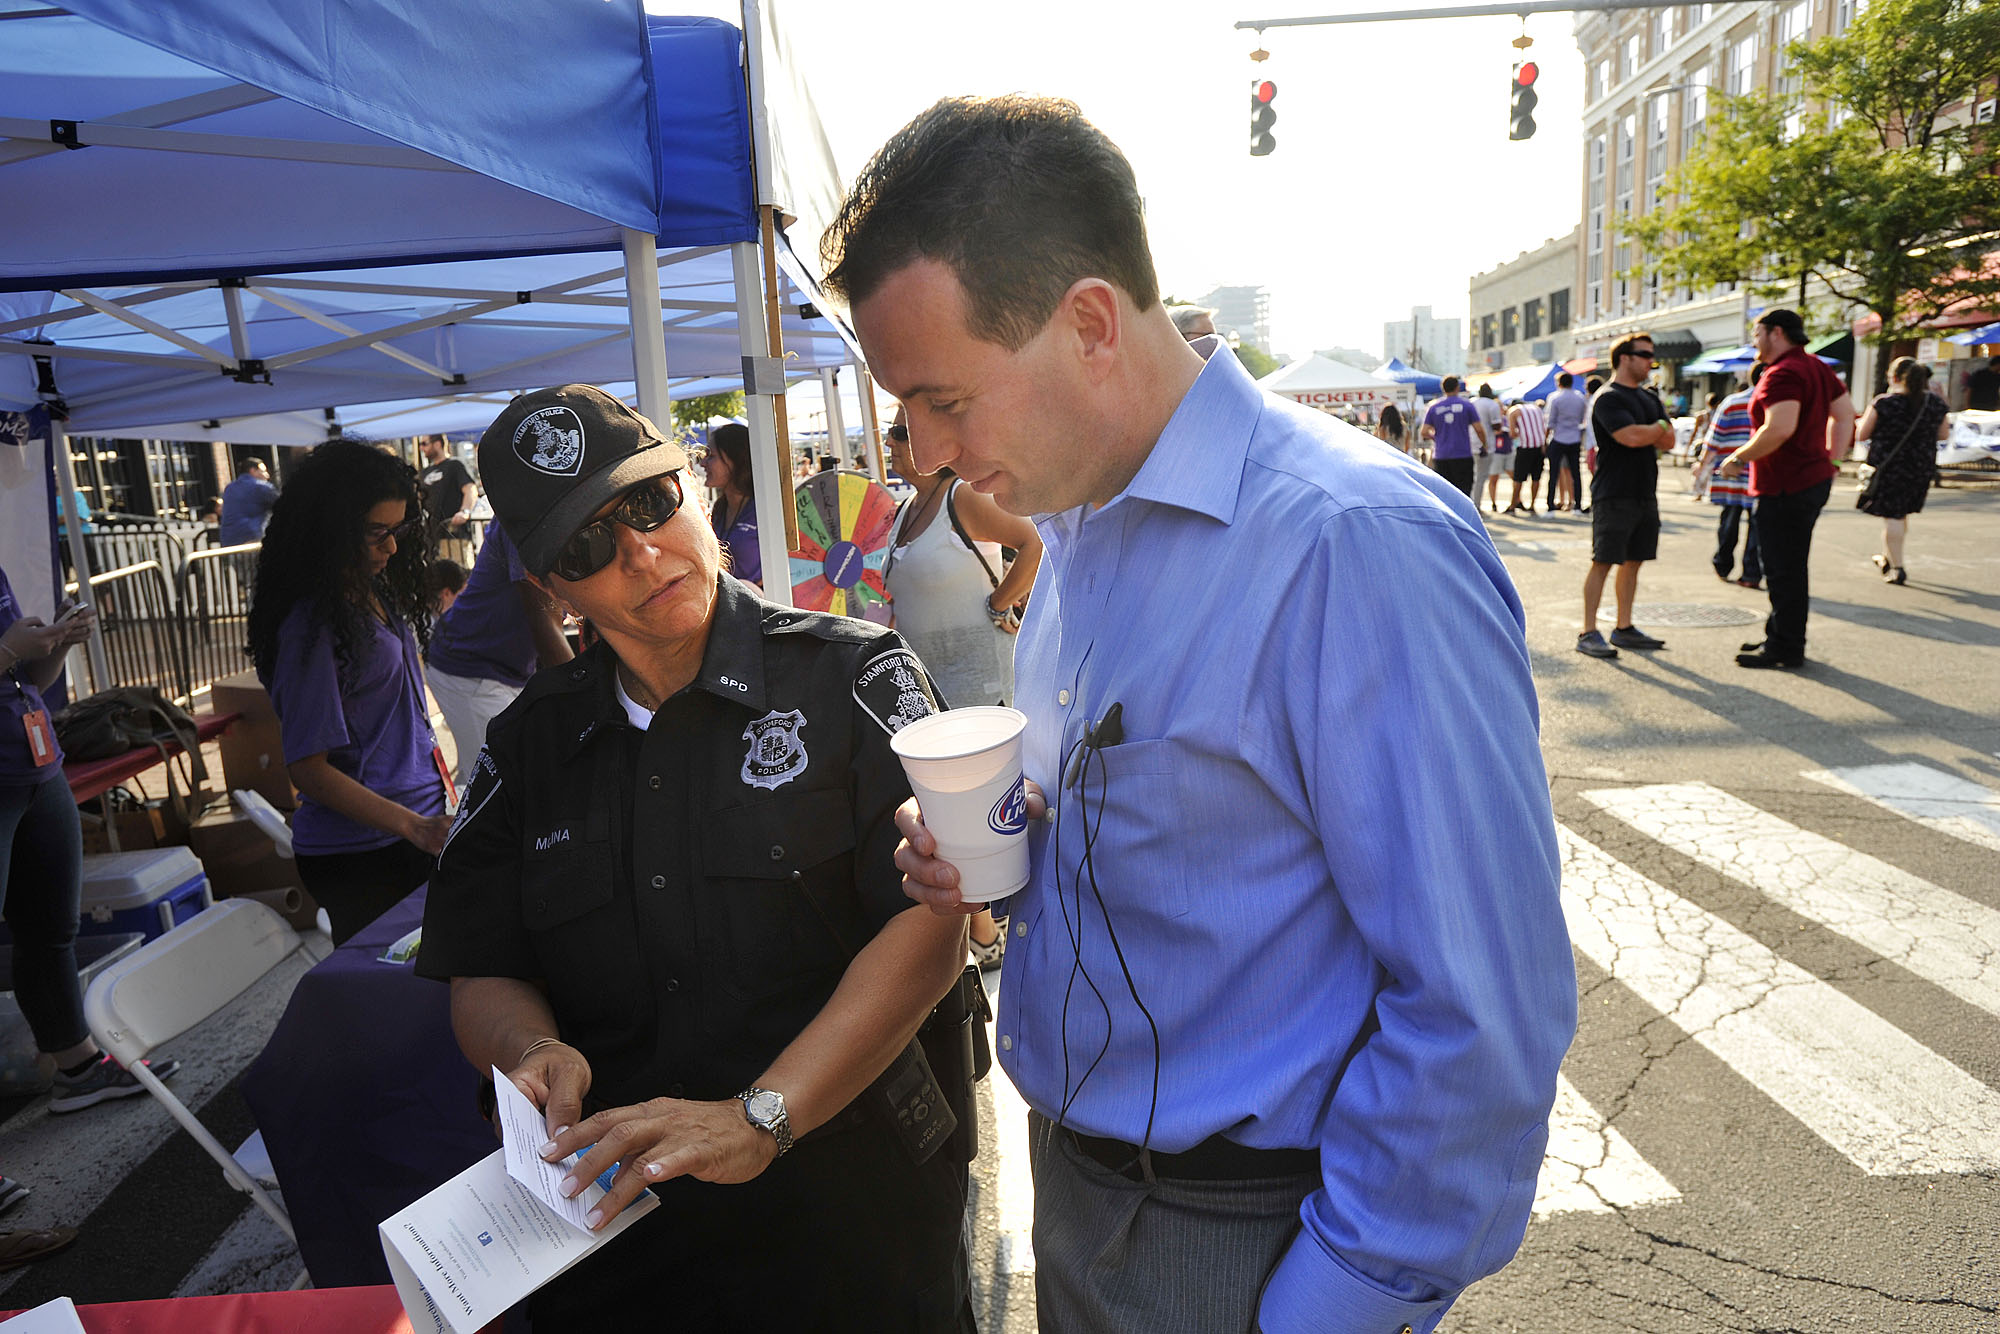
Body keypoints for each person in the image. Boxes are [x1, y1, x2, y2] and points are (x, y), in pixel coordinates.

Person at [826, 95, 1573, 1333]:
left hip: (1253, 1237)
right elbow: (1185, 851)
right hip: (1085, 1186)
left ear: (1087, 324)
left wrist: (1338, 1298)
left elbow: (1482, 1001)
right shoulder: (1075, 529)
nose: (923, 455)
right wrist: (1006, 852)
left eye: (942, 399)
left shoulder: (1348, 545)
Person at [419, 385, 976, 1332]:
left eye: (648, 505)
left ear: (696, 489)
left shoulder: (860, 676)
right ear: (553, 586)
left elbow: (934, 925)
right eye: (589, 546)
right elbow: (481, 961)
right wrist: (531, 1048)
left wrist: (760, 1116)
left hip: (853, 1218)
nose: (641, 552)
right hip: (633, 1238)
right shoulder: (528, 747)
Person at [247, 440, 451, 944]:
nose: (392, 547)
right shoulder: (312, 625)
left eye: (398, 530)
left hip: (411, 826)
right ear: (331, 531)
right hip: (363, 849)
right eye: (376, 533)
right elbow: (309, 770)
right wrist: (413, 827)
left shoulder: (371, 590)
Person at [1, 570, 182, 1113]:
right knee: (47, 930)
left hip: (34, 764)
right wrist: (11, 648)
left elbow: (26, 675)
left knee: (52, 929)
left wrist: (55, 644)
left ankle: (77, 1067)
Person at [881, 407, 1044, 970]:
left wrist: (1002, 603)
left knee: (984, 817)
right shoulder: (905, 509)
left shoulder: (959, 497)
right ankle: (981, 926)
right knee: (946, 822)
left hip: (977, 686)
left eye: (900, 432)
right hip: (929, 693)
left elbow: (1032, 542)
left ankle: (996, 928)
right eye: (889, 433)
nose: (892, 443)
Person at [1720, 308, 1857, 669]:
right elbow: (1845, 414)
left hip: (1784, 485)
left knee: (1783, 568)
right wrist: (1834, 462)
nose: (1754, 341)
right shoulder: (1815, 367)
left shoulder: (1783, 373)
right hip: (1808, 480)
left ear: (1776, 333)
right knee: (1788, 566)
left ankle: (1786, 647)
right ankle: (1779, 636)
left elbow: (1779, 428)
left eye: (1756, 333)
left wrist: (1737, 457)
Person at [423, 524, 572, 785]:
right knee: (496, 779)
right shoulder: (523, 515)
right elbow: (544, 619)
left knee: (519, 768)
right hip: (467, 668)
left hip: (507, 669)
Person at [1575, 332, 1674, 661]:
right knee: (1603, 562)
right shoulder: (1608, 397)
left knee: (1634, 562)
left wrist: (1654, 430)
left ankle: (1624, 627)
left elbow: (1669, 441)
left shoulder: (1649, 397)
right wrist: (1656, 429)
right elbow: (1629, 437)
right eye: (1644, 354)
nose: (1650, 361)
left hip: (1644, 492)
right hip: (1613, 493)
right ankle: (1588, 631)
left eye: (1651, 355)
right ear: (1625, 358)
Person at [1855, 356, 1950, 586]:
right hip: (1921, 466)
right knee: (1901, 513)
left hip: (1889, 467)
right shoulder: (1935, 403)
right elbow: (1944, 434)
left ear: (1895, 377)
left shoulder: (1884, 402)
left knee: (1893, 516)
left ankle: (1897, 567)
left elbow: (1862, 435)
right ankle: (1888, 556)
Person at [1702, 371, 1762, 588]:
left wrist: (1702, 466)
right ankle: (1751, 574)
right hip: (1758, 475)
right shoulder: (1772, 403)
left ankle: (1722, 565)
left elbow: (1713, 439)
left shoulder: (1732, 402)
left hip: (1730, 476)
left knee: (1729, 522)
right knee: (1757, 526)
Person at [700, 422, 762, 587]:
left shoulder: (763, 509)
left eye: (711, 456)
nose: (702, 463)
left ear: (736, 460)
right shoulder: (720, 509)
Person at [1420, 375, 1488, 497]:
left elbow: (1424, 431)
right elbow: (1479, 429)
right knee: (1464, 491)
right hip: (1462, 454)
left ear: (1443, 389)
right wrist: (1484, 445)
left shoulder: (1434, 407)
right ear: (1457, 388)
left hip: (1441, 456)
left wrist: (1436, 438)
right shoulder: (1467, 405)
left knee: (1445, 493)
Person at [416, 435, 478, 547]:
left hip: (454, 532)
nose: (421, 448)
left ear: (438, 444)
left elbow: (470, 489)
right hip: (431, 535)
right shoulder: (424, 472)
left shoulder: (455, 465)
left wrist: (465, 512)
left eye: (424, 443)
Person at [1543, 371, 1588, 512]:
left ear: (1559, 383)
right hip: (1574, 437)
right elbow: (1582, 419)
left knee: (1553, 474)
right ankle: (1577, 506)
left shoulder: (1555, 397)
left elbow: (1550, 422)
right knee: (1576, 474)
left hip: (1558, 437)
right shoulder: (1580, 398)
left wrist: (1545, 440)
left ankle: (1550, 507)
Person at [217, 457, 278, 546]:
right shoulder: (262, 487)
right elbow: (285, 506)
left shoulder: (229, 488)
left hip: (228, 542)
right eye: (263, 471)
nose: (267, 475)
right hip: (251, 539)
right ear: (253, 471)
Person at [1504, 394, 1547, 514]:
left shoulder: (1513, 411)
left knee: (1518, 478)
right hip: (1539, 446)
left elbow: (1512, 434)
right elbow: (1543, 428)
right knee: (1536, 477)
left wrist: (1518, 433)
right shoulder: (1536, 408)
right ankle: (1532, 505)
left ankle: (1513, 505)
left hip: (1525, 447)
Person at [1472, 383, 1508, 513]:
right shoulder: (1492, 404)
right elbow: (1496, 425)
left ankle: (1472, 503)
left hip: (1469, 443)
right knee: (1480, 477)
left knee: (1472, 476)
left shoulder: (1472, 403)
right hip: (1485, 444)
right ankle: (1475, 505)